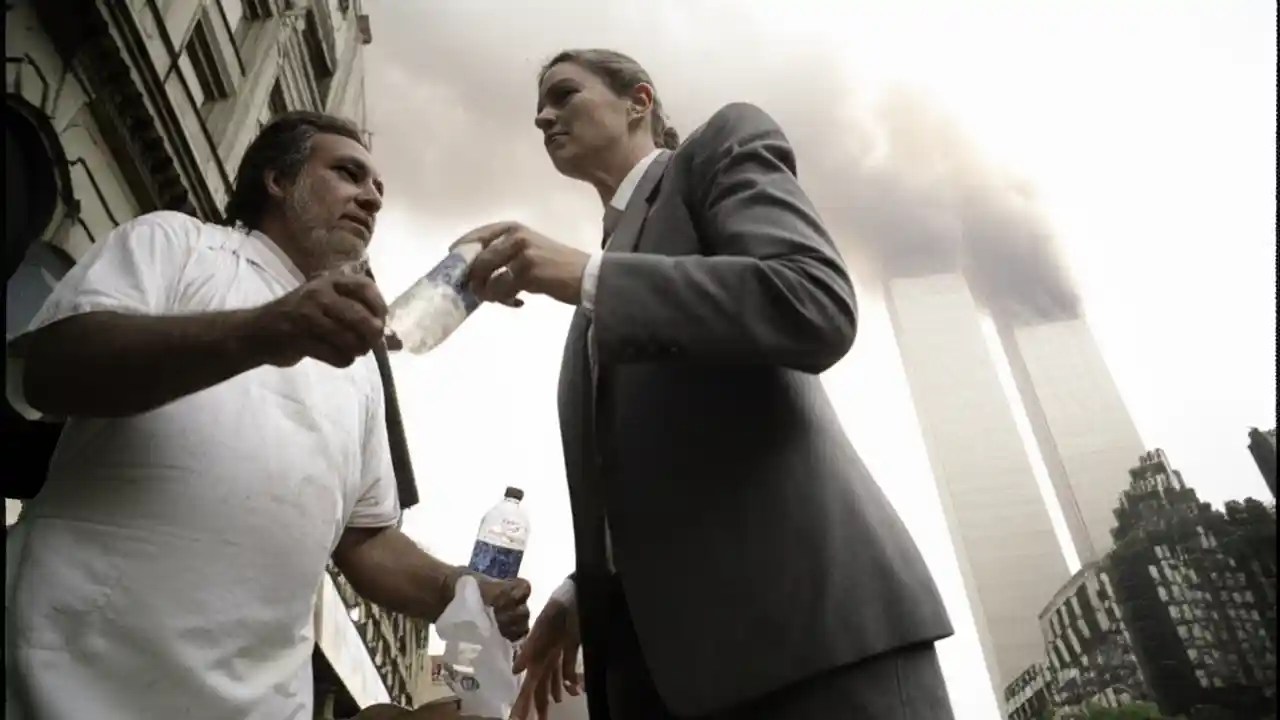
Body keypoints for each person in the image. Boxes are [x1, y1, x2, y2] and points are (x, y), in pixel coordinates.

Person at [452, 50, 957, 720]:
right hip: (666, 679)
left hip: (814, 651)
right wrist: (584, 594)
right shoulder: (595, 290)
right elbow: (660, 466)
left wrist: (587, 276)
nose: (543, 116)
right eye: (539, 107)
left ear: (639, 100)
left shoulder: (718, 149)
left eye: (564, 95)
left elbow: (814, 302)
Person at [4, 111, 530, 720]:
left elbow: (366, 540)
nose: (370, 198)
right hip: (66, 675)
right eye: (348, 174)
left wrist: (457, 589)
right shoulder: (176, 245)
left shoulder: (359, 369)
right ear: (277, 180)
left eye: (379, 190)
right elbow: (54, 370)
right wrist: (264, 331)